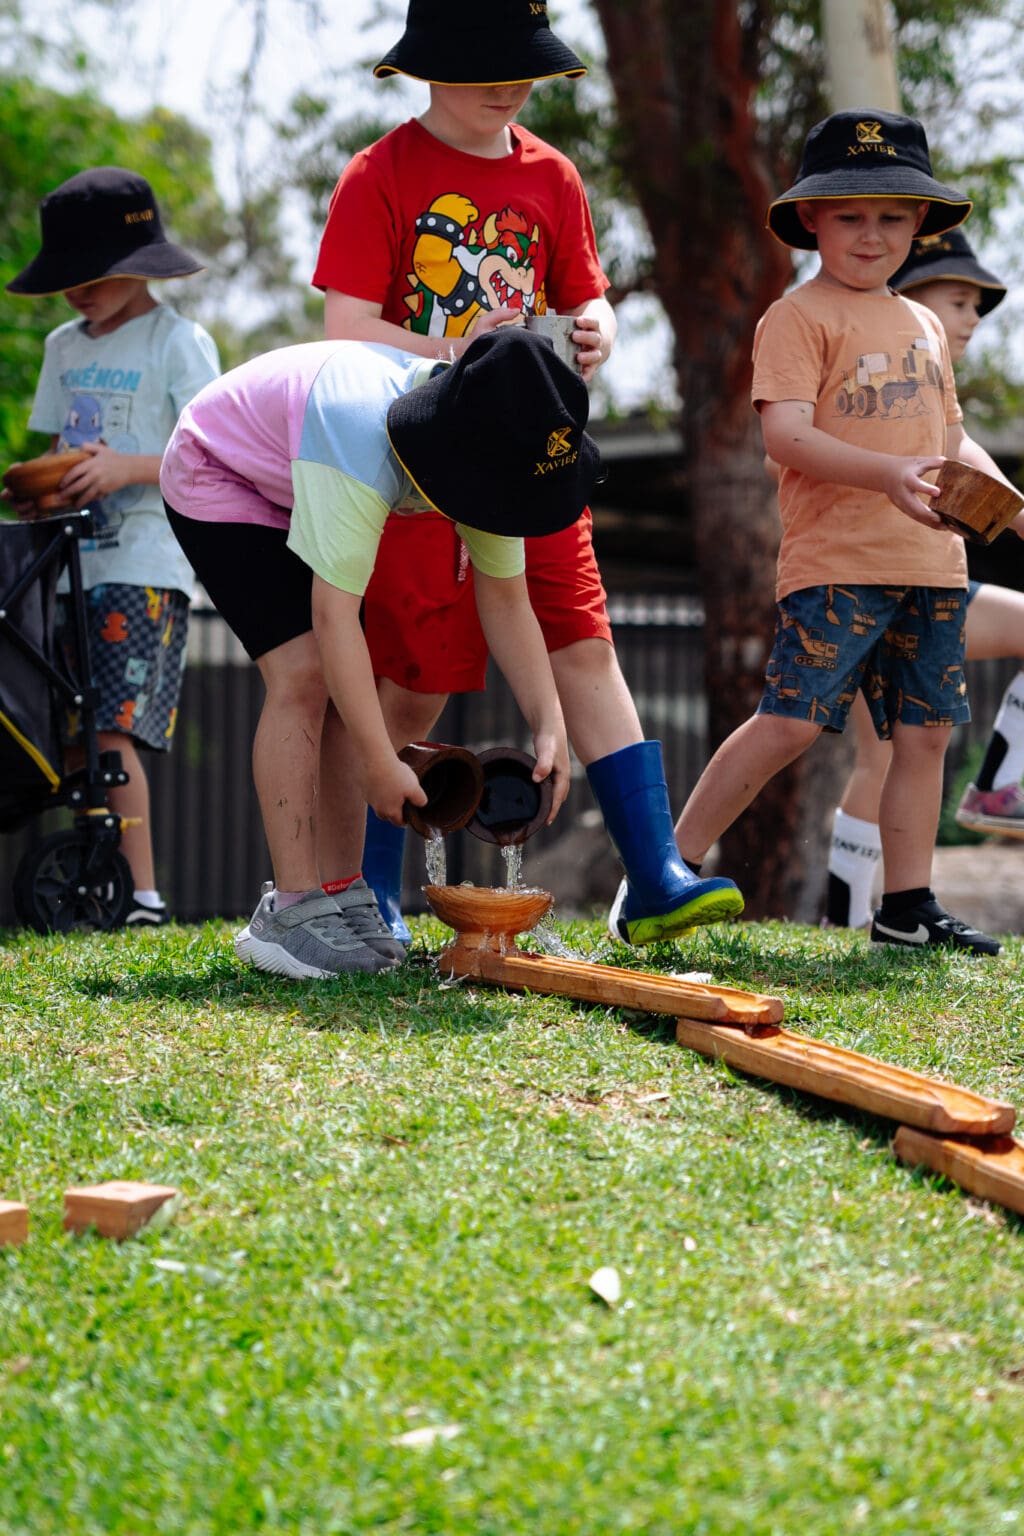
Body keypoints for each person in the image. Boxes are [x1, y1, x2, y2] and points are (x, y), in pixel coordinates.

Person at [311, 0, 743, 949]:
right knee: (412, 682)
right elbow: (344, 331)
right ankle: (373, 894)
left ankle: (657, 872)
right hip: (414, 464)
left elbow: (585, 296)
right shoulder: (378, 173)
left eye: (524, 68)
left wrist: (601, 330)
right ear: (425, 65)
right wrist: (461, 345)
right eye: (483, 67)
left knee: (586, 641)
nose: (508, 87)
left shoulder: (553, 172)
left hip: (533, 452)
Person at [669, 108, 1023, 957]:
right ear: (812, 220)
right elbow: (783, 437)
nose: (873, 234)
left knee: (926, 736)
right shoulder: (796, 316)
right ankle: (665, 870)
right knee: (791, 723)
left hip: (933, 564)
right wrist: (886, 476)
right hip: (837, 565)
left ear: (921, 225)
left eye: (894, 217)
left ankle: (906, 908)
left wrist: (1003, 493)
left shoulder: (925, 323)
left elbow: (946, 438)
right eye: (852, 214)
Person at [160, 326, 597, 980]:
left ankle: (342, 892)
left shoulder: (489, 455)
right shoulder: (359, 435)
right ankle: (291, 909)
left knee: (343, 687)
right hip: (215, 467)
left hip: (290, 478)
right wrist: (376, 759)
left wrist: (550, 725)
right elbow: (333, 619)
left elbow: (506, 602)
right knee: (304, 676)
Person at [6, 167, 220, 925]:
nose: (76, 291)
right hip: (64, 567)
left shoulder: (178, 340)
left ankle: (143, 895)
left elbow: (214, 454)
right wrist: (36, 488)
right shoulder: (64, 346)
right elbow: (63, 448)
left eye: (90, 273)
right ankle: (90, 880)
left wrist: (126, 468)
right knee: (68, 736)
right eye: (65, 277)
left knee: (111, 730)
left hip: (145, 563)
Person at [824, 228, 1024, 928]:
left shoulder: (934, 382)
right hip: (859, 583)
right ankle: (849, 914)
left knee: (891, 756)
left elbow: (960, 448)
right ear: (909, 294)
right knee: (877, 759)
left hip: (931, 582)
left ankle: (998, 786)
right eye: (961, 299)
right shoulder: (857, 361)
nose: (973, 318)